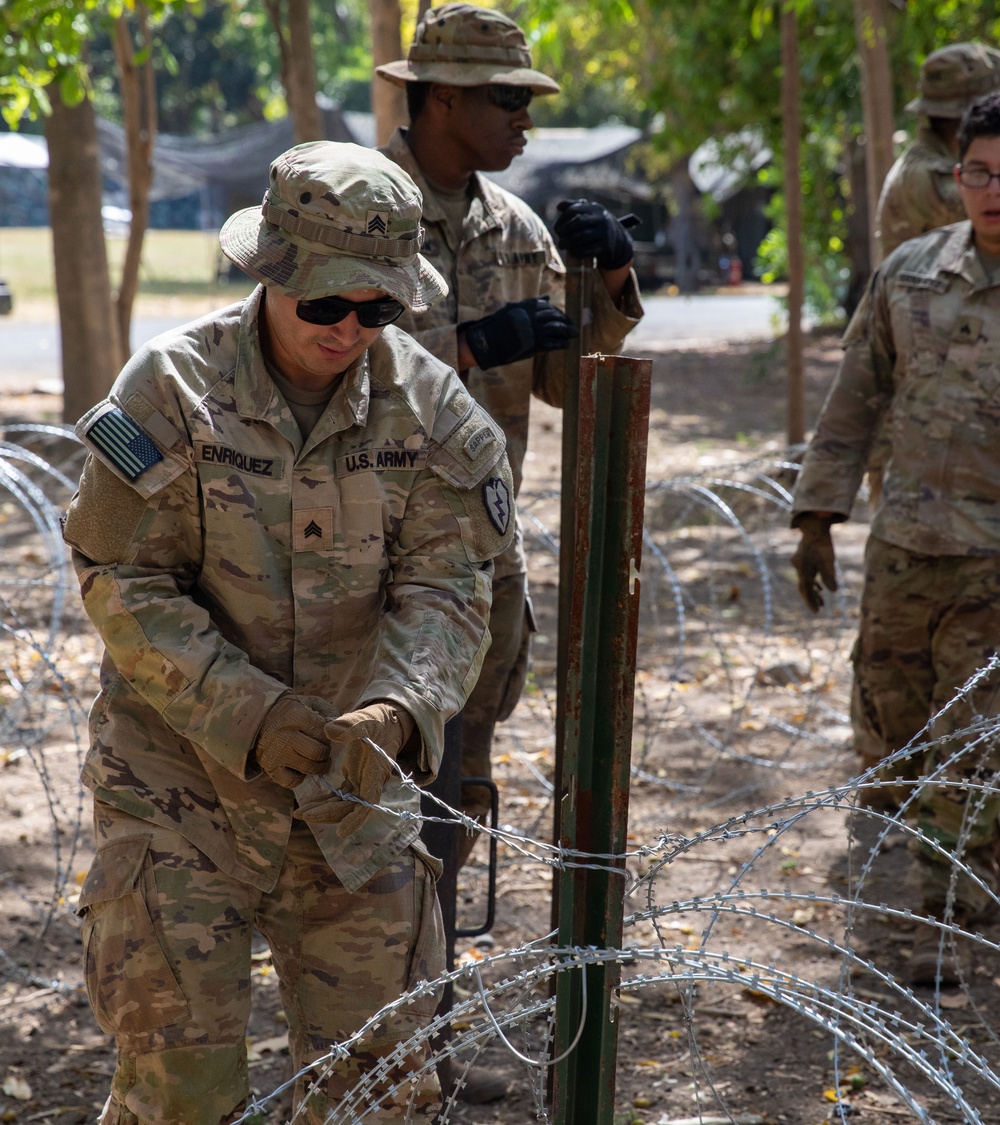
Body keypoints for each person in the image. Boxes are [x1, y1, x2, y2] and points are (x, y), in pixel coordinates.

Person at [62, 140, 514, 1124]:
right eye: (325, 305)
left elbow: (448, 585)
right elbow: (121, 576)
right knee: (180, 1091)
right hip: (180, 791)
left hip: (351, 802)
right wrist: (253, 714)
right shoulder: (168, 394)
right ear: (271, 275)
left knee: (382, 1094)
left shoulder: (439, 417)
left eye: (379, 309)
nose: (350, 329)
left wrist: (399, 710)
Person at [374, 1, 644, 869]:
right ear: (441, 99)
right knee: (369, 785)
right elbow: (316, 355)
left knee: (458, 786)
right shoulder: (361, 212)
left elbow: (568, 384)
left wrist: (609, 276)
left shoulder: (519, 232)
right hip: (363, 550)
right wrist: (468, 344)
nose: (525, 119)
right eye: (505, 97)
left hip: (480, 549)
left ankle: (441, 975)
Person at [790, 91, 1000, 986]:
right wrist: (816, 514)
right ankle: (951, 882)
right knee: (894, 741)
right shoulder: (911, 272)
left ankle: (943, 923)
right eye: (979, 172)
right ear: (956, 177)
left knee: (975, 743)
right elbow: (856, 398)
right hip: (905, 551)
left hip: (994, 567)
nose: (993, 190)